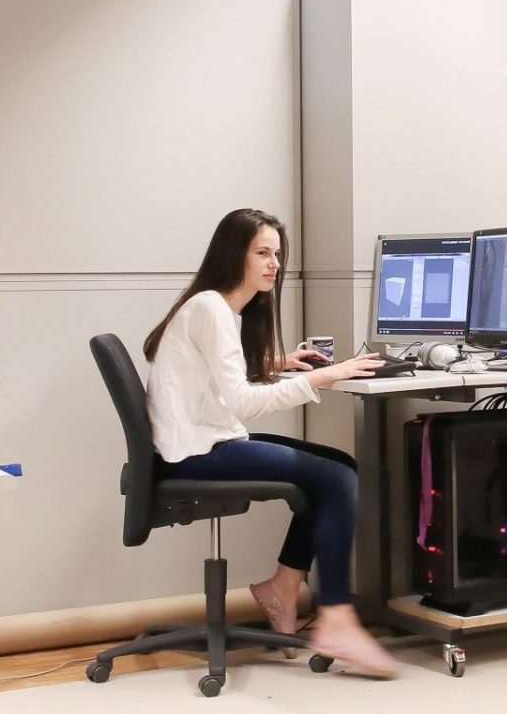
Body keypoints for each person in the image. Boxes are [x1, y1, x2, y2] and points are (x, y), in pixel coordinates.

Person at [143, 208, 396, 677]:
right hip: (197, 453)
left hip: (206, 440)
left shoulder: (216, 307)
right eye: (262, 253)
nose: (274, 264)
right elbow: (240, 401)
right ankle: (336, 619)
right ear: (233, 254)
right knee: (336, 479)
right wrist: (322, 377)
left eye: (277, 254)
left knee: (341, 466)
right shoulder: (211, 308)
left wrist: (278, 361)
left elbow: (216, 375)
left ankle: (283, 586)